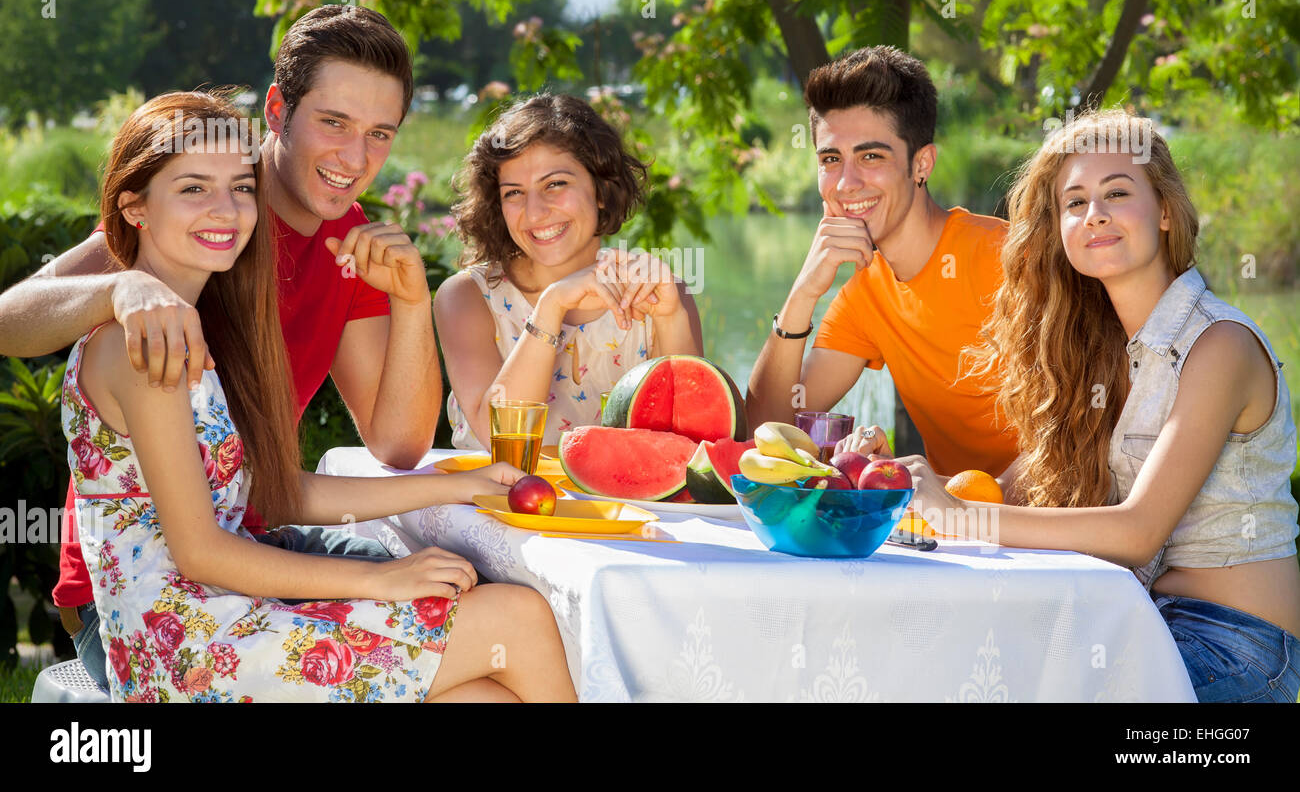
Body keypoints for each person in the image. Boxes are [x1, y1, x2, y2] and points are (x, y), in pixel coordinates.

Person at [65, 90, 574, 702]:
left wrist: (459, 484)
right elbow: (200, 552)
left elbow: (272, 490)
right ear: (136, 208)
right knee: (516, 620)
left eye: (241, 187)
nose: (225, 210)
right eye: (194, 188)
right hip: (184, 649)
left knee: (480, 697)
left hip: (221, 615)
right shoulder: (141, 344)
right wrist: (386, 581)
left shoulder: (188, 326)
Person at [0, 5, 441, 686]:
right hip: (140, 596)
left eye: (379, 134)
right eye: (334, 123)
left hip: (263, 545)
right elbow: (9, 321)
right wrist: (114, 292)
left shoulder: (352, 243)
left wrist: (413, 304)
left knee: (458, 604)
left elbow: (399, 445)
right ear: (277, 110)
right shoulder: (203, 204)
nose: (356, 159)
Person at [889, 108, 1300, 703]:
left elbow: (1136, 532)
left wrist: (960, 520)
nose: (1094, 213)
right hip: (1138, 624)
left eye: (1116, 193)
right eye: (1074, 202)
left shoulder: (1220, 345)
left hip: (1239, 649)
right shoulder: (1099, 356)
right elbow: (1007, 495)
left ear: (1163, 211)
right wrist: (896, 485)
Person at [745, 46, 1019, 480]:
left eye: (871, 157)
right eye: (831, 160)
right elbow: (766, 428)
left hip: (1061, 527)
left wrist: (966, 504)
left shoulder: (1006, 260)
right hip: (962, 532)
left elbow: (1080, 430)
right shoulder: (866, 293)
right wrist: (804, 292)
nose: (847, 184)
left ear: (921, 164)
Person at [435, 93, 704, 449]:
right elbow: (499, 438)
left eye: (555, 184)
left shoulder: (658, 294)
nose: (533, 213)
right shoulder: (467, 297)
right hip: (491, 504)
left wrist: (670, 318)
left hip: (621, 506)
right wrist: (552, 306)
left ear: (602, 191)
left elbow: (693, 443)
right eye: (513, 193)